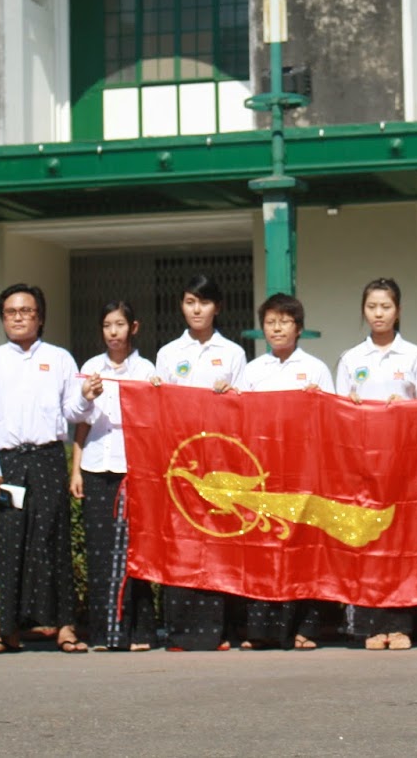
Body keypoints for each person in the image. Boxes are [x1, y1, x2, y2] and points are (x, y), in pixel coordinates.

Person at [0, 284, 92, 654]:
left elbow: (73, 412)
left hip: (47, 458)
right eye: (12, 312)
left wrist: (87, 398)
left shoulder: (59, 358)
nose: (20, 317)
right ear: (3, 318)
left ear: (40, 317)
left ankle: (65, 626)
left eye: (27, 311)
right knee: (9, 544)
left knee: (54, 541)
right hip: (8, 463)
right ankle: (8, 629)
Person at [232, 293, 334, 650]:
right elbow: (238, 418)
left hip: (303, 472)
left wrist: (317, 399)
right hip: (264, 471)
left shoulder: (316, 369)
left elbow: (333, 420)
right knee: (264, 546)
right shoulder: (253, 370)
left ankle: (306, 628)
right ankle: (262, 631)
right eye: (270, 322)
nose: (276, 328)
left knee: (302, 547)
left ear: (299, 328)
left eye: (284, 321)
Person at [334, 278, 417, 651]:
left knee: (398, 545)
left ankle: (400, 624)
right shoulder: (351, 359)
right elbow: (338, 416)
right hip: (361, 466)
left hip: (401, 467)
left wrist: (403, 410)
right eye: (372, 307)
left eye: (386, 307)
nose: (378, 314)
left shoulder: (415, 357)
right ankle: (369, 626)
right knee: (365, 544)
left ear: (399, 311)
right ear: (364, 310)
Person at [152, 273, 246, 651]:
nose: (197, 309)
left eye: (204, 302)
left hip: (220, 460)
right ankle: (180, 631)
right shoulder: (169, 353)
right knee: (182, 543)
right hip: (181, 460)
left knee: (218, 542)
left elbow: (245, 408)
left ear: (217, 307)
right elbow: (159, 409)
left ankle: (218, 631)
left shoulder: (235, 353)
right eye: (190, 302)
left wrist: (233, 395)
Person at [71, 300, 158, 652]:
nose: (113, 332)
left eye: (119, 324)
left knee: (134, 550)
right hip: (96, 465)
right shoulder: (91, 367)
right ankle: (106, 634)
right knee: (101, 549)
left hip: (132, 468)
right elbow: (80, 421)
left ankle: (140, 632)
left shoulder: (146, 368)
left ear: (133, 328)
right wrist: (75, 468)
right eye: (107, 325)